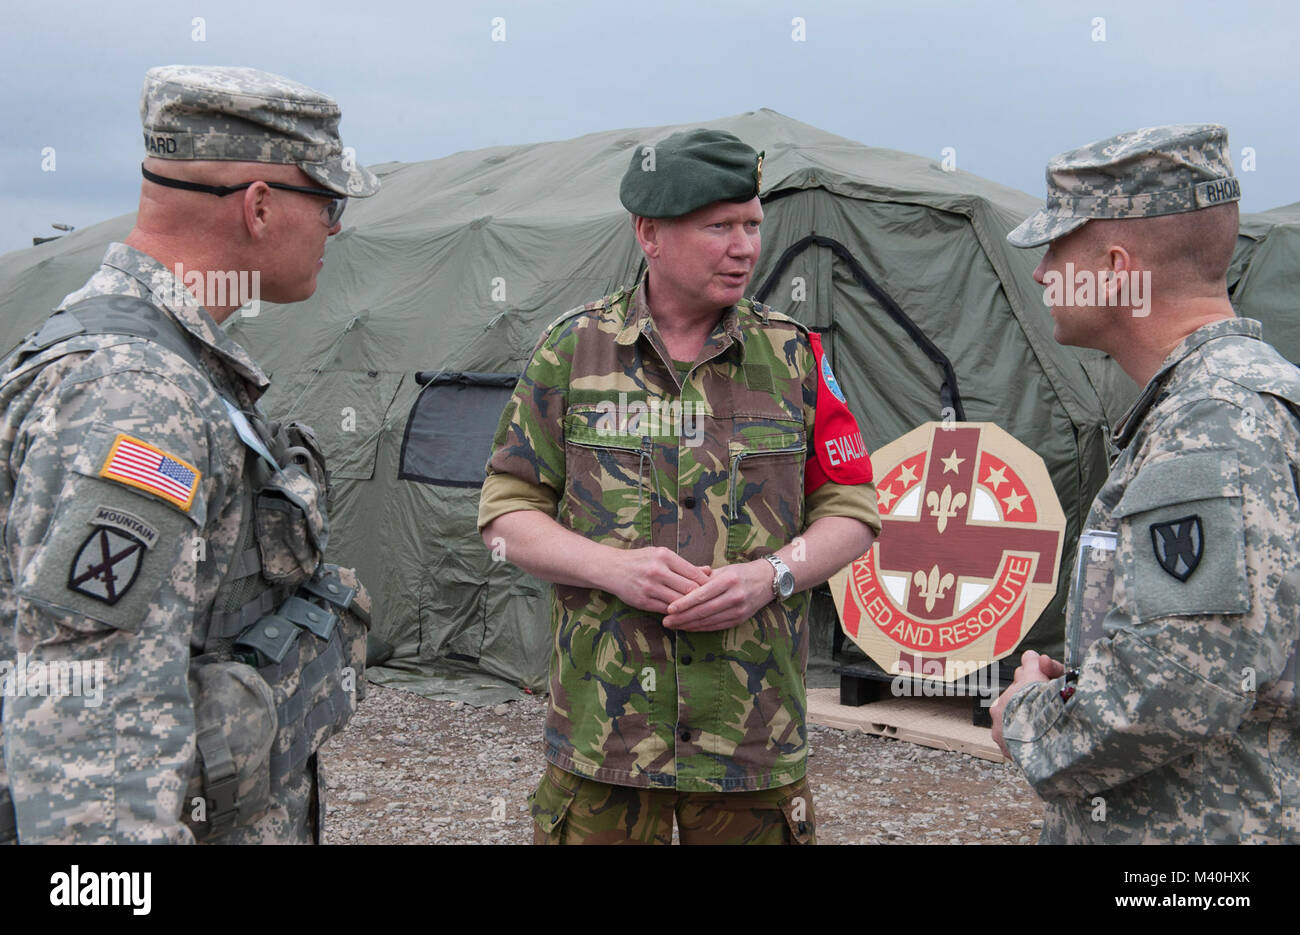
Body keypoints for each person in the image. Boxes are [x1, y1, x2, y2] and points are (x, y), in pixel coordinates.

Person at [0, 65, 380, 844]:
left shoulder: (176, 365)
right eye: (329, 203)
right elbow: (90, 742)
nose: (335, 228)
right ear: (261, 205)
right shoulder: (137, 394)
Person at [478, 128, 881, 845]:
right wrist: (613, 568)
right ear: (651, 234)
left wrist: (772, 574)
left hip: (751, 744)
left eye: (753, 224)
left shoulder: (794, 354)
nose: (745, 247)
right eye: (719, 226)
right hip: (607, 742)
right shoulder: (573, 350)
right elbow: (507, 510)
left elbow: (851, 509)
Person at [991, 124, 1300, 844]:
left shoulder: (1210, 422)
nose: (1041, 274)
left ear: (1116, 266)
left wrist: (1028, 715)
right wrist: (1087, 674)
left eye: (1056, 249)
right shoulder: (1243, 399)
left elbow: (1181, 684)